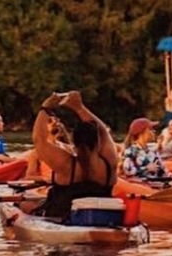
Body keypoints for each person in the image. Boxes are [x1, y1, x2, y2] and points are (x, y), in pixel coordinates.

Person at [31, 91, 118, 219]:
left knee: (24, 205)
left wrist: (45, 108)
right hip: (101, 219)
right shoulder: (109, 162)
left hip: (62, 220)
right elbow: (103, 131)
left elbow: (39, 140)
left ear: (74, 141)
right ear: (98, 141)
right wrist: (79, 107)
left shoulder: (65, 163)